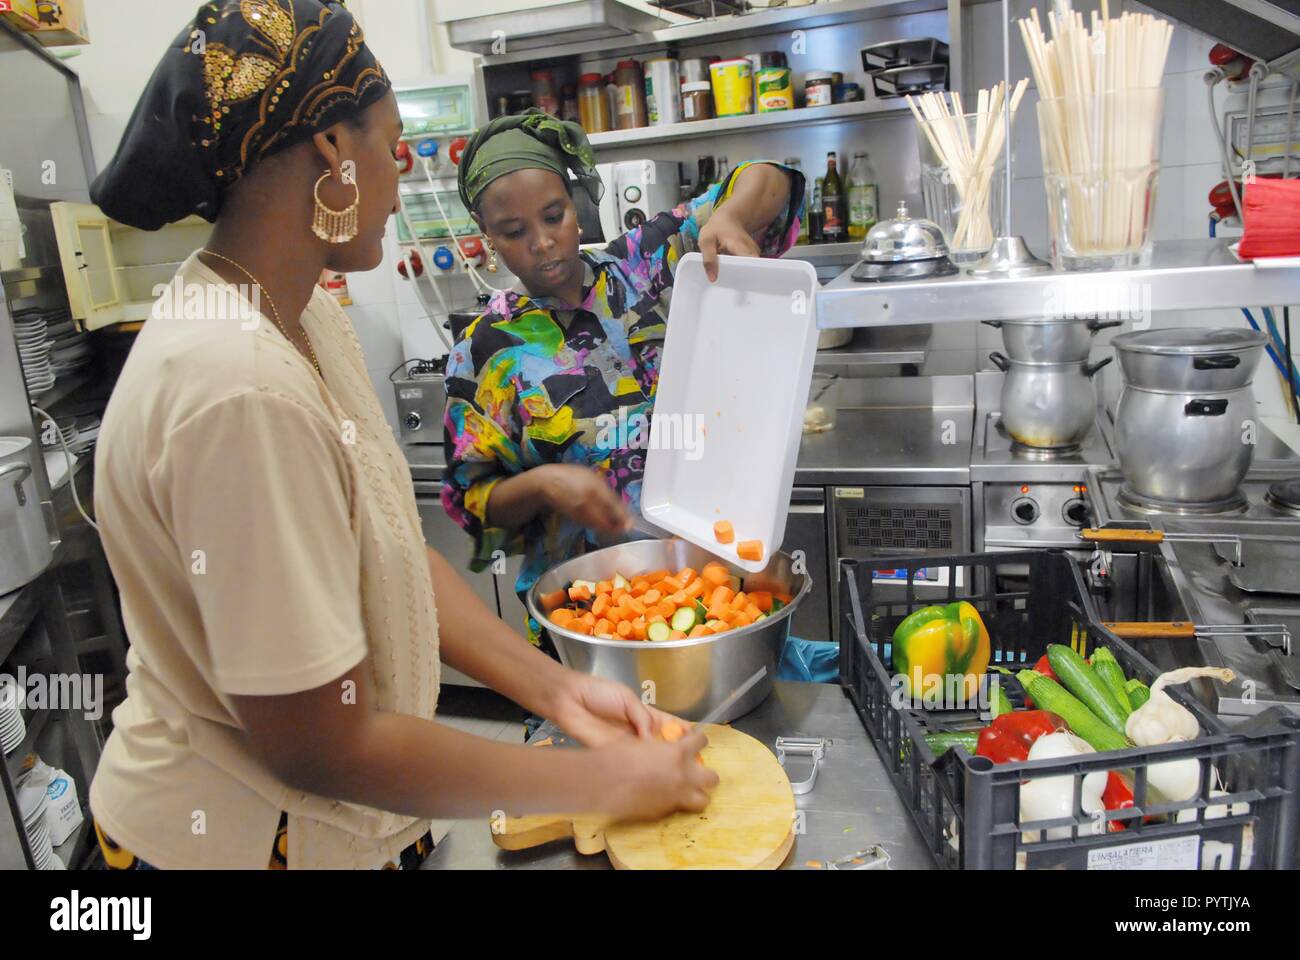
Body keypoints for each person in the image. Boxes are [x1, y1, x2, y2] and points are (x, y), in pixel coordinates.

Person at [85, 0, 714, 871]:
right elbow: (322, 746)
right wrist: (599, 783)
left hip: (341, 827)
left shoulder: (302, 316)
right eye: (388, 139)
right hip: (228, 843)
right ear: (334, 155)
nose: (405, 161)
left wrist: (564, 693)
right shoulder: (239, 388)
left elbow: (387, 551)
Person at [443, 111, 804, 651]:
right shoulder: (486, 352)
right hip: (586, 616)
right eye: (514, 232)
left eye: (554, 216)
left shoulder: (644, 266)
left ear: (575, 203)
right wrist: (544, 484)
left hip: (707, 586)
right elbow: (472, 502)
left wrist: (727, 215)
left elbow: (768, 178)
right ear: (487, 236)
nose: (542, 243)